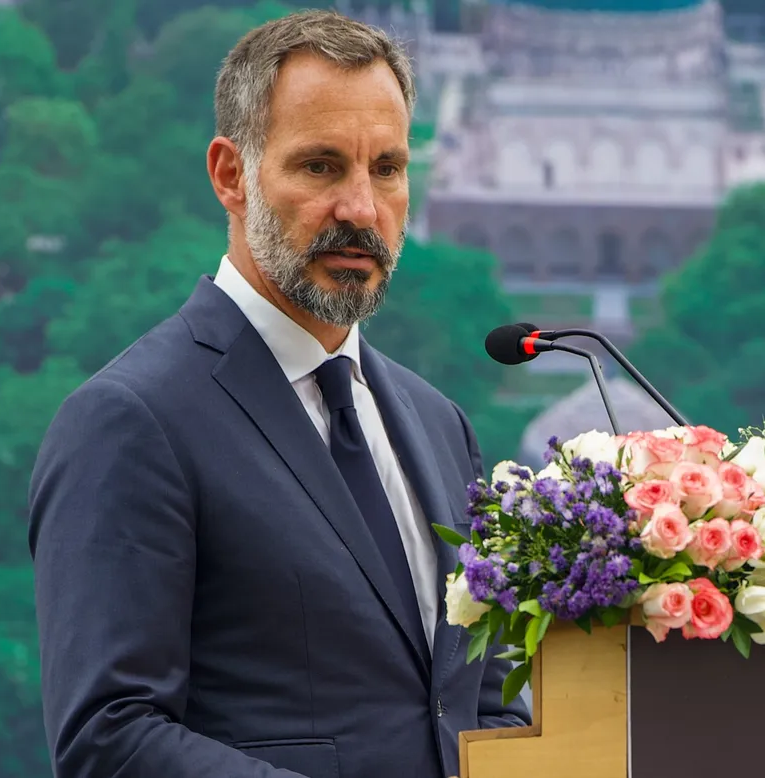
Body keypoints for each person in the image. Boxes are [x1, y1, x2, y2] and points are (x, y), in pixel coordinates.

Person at [27, 11, 529, 778]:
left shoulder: (439, 425)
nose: (362, 209)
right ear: (231, 175)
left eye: (387, 168)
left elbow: (486, 706)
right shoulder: (129, 421)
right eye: (322, 166)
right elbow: (111, 741)